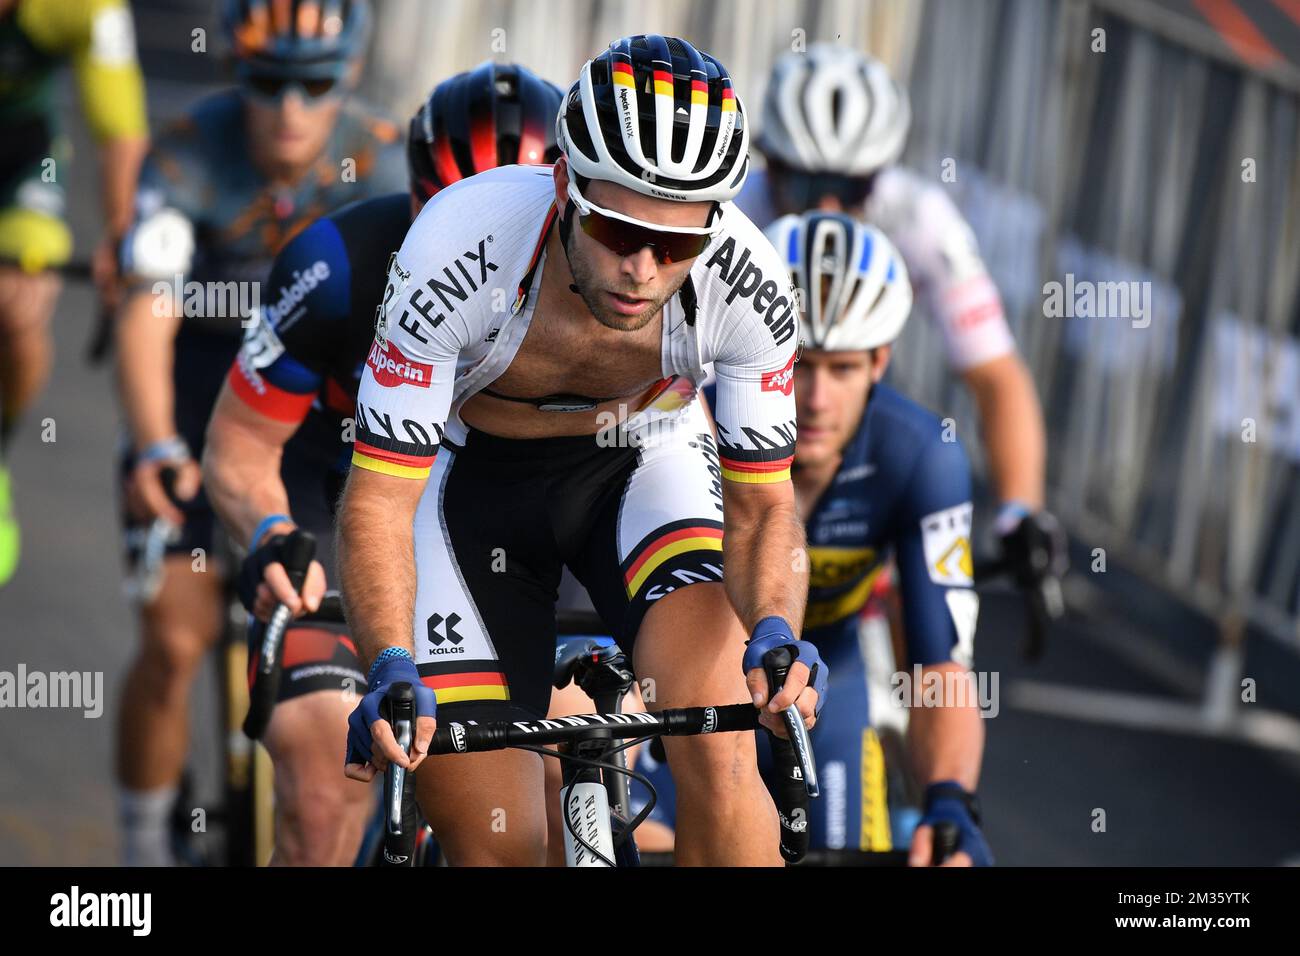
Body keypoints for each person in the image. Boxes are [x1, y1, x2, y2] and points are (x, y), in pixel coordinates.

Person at [335, 34, 826, 866]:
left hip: (644, 463)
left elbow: (764, 504)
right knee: (508, 844)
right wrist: (387, 657)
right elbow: (379, 497)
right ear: (565, 184)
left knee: (722, 745)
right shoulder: (459, 245)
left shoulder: (752, 284)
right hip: (469, 487)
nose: (641, 267)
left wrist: (776, 629)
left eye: (676, 246)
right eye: (616, 228)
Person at [202, 60, 565, 864]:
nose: (482, 251)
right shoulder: (333, 268)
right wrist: (267, 531)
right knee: (328, 782)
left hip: (512, 530)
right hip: (336, 514)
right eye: (454, 215)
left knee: (571, 776)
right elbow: (239, 447)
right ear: (413, 202)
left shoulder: (610, 282)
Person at [113, 0, 404, 866]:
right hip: (196, 398)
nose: (288, 108)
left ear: (348, 74)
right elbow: (147, 308)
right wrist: (158, 443)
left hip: (314, 424)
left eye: (312, 83)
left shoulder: (381, 156)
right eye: (266, 81)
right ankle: (139, 852)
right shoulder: (188, 150)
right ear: (236, 74)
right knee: (172, 641)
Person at [640, 212, 994, 866]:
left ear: (881, 361)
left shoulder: (922, 456)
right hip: (689, 672)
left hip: (831, 686)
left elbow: (938, 665)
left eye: (843, 369)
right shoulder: (691, 414)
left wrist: (949, 800)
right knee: (648, 839)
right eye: (798, 365)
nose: (816, 398)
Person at [739, 44, 1064, 584]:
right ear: (767, 163)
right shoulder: (733, 210)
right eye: (801, 183)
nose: (828, 209)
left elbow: (996, 376)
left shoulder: (920, 217)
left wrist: (1019, 513)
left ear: (881, 176)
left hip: (857, 439)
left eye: (851, 188)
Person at [0, 0, 148, 585]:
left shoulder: (81, 7)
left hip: (19, 165)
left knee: (16, 305)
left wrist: (122, 237)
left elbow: (121, 130)